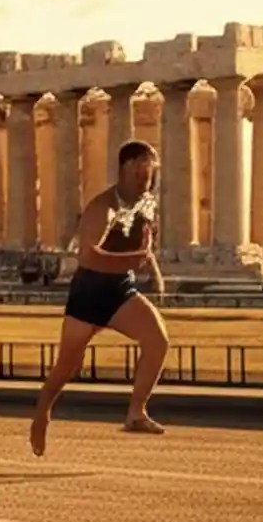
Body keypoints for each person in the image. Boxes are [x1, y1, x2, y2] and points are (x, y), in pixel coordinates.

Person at [30, 139, 169, 457]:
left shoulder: (142, 203)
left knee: (157, 340)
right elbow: (88, 257)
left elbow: (142, 249)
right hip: (91, 290)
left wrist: (151, 270)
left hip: (120, 288)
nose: (150, 177)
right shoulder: (102, 208)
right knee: (68, 365)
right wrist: (133, 261)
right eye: (146, 169)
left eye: (152, 170)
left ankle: (136, 413)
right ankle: (42, 414)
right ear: (130, 168)